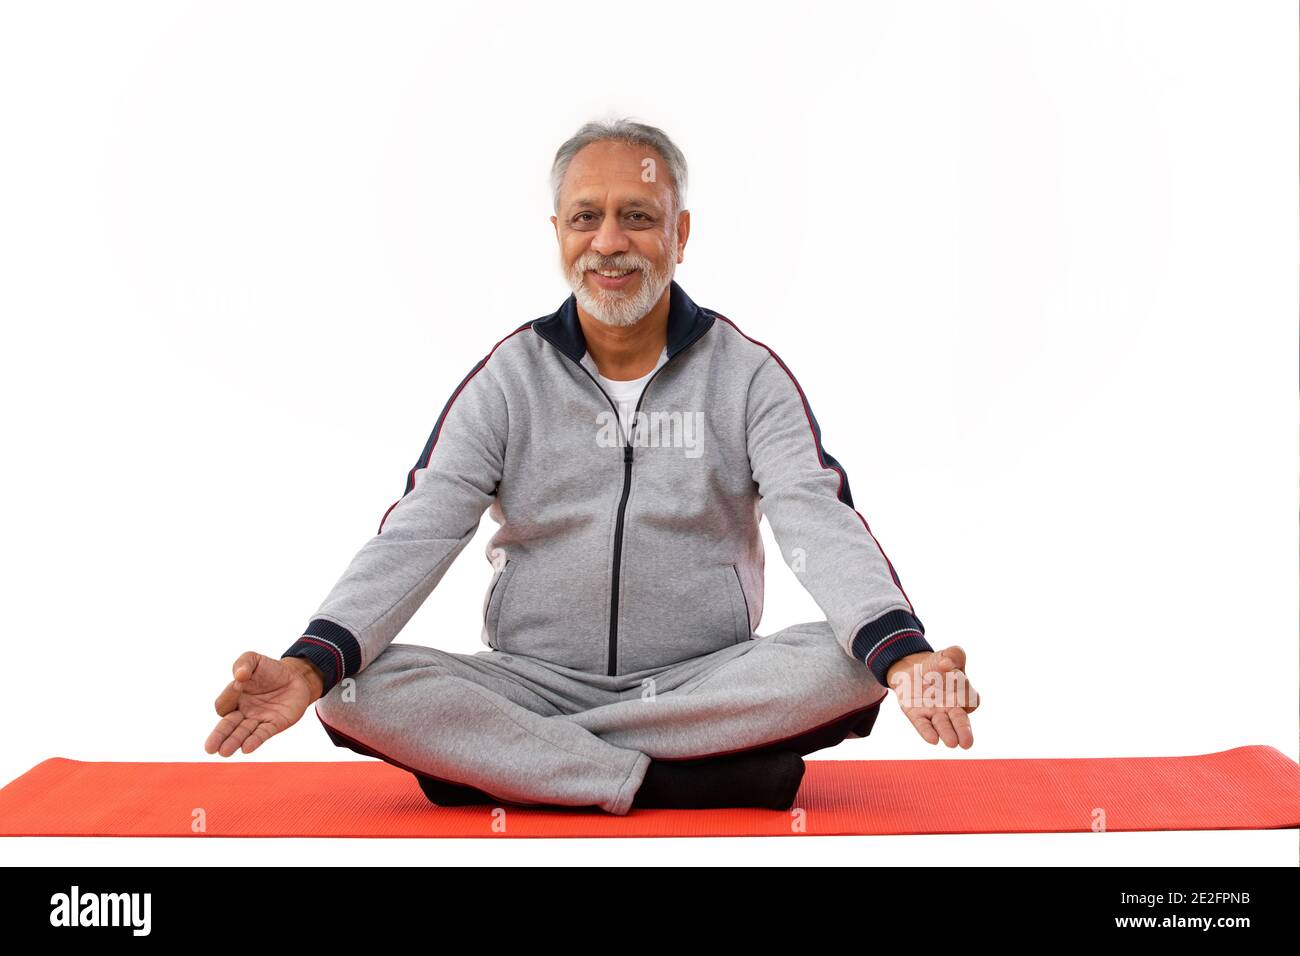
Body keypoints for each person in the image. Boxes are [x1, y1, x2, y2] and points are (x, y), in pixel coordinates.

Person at [204, 117, 979, 816]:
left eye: (637, 217)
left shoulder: (747, 376)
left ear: (680, 233)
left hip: (701, 683)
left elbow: (818, 516)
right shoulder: (509, 379)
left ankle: (519, 764)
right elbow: (419, 530)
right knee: (351, 689)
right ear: (559, 233)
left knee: (849, 662)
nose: (609, 241)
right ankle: (670, 782)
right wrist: (308, 667)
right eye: (586, 217)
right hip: (531, 682)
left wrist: (904, 656)